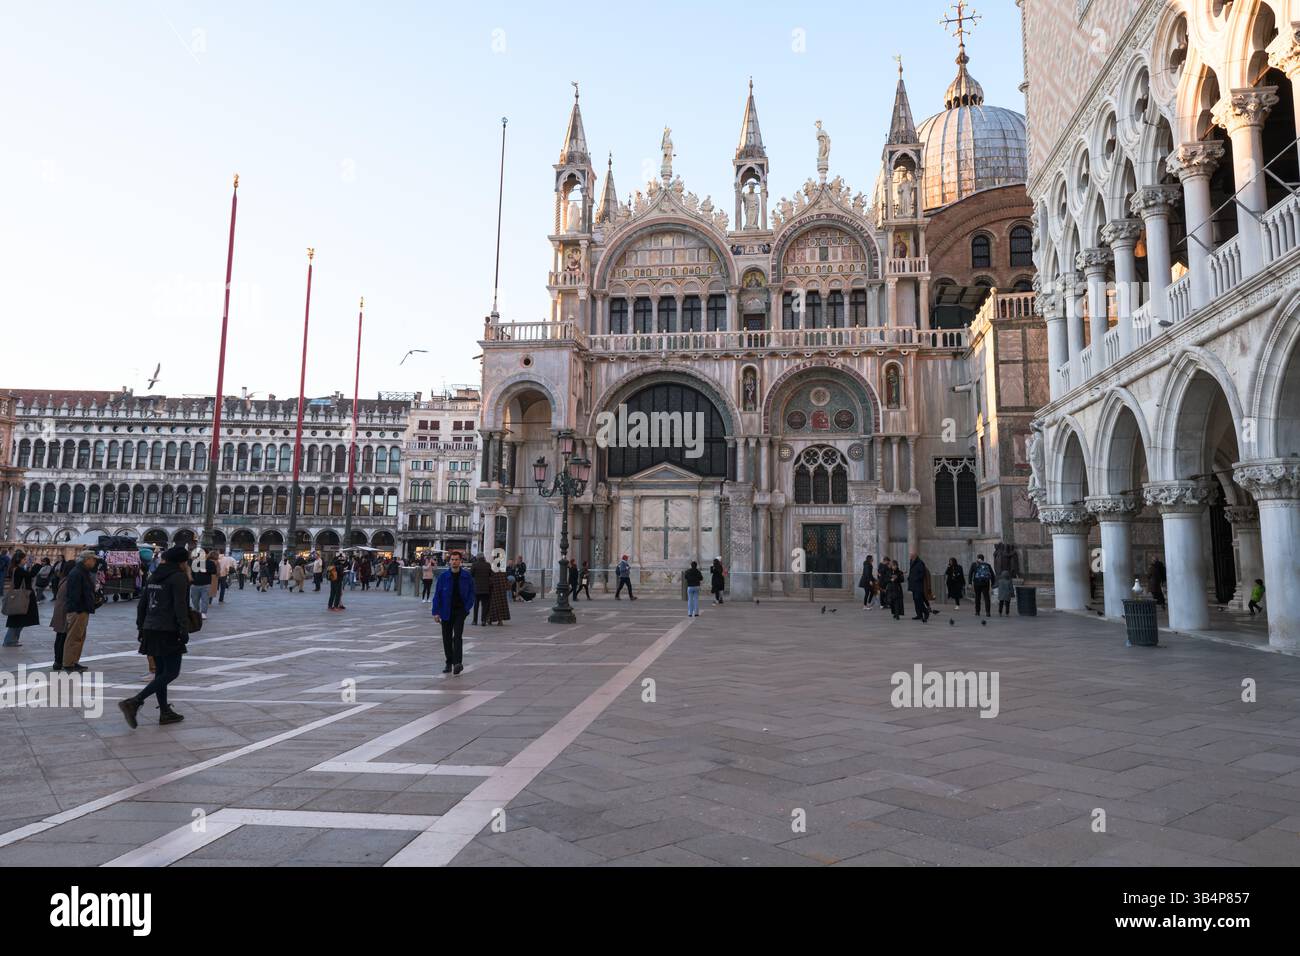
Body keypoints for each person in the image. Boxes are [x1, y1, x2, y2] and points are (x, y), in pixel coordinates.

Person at [119, 545, 191, 728]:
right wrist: (183, 629)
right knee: (172, 672)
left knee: (160, 672)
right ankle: (135, 701)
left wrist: (141, 627)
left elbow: (141, 605)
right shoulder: (178, 577)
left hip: (151, 628)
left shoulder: (154, 576)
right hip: (168, 629)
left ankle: (165, 711)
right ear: (182, 561)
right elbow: (180, 606)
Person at [432, 551, 474, 675]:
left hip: (460, 611)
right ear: (449, 561)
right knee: (446, 637)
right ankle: (448, 662)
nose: (454, 561)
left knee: (457, 636)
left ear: (461, 561)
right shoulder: (443, 577)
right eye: (452, 559)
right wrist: (436, 612)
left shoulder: (467, 577)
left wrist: (467, 608)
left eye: (456, 559)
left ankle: (457, 663)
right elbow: (437, 595)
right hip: (446, 610)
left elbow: (472, 593)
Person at [60, 550, 99, 673]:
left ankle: (73, 661)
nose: (94, 562)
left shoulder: (83, 572)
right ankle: (68, 663)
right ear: (87, 560)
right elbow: (74, 594)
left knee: (79, 637)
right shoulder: (77, 573)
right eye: (93, 559)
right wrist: (78, 608)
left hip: (82, 609)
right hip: (78, 610)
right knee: (74, 637)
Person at [4, 551, 39, 647]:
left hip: (20, 597)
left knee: (19, 620)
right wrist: (37, 564)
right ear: (19, 560)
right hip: (22, 598)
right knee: (17, 621)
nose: (26, 560)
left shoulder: (16, 569)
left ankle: (12, 640)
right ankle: (9, 641)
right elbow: (31, 575)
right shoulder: (18, 570)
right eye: (24, 559)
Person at [49, 561, 72, 669]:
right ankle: (59, 661)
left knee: (59, 637)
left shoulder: (63, 579)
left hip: (59, 611)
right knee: (62, 638)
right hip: (64, 612)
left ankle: (57, 661)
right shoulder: (68, 581)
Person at [189, 550, 215, 619]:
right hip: (195, 584)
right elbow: (192, 572)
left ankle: (203, 612)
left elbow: (214, 571)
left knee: (205, 599)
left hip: (206, 584)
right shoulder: (195, 562)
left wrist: (206, 570)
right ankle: (196, 611)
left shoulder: (210, 563)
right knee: (194, 600)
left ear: (206, 555)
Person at [969, 553, 994, 618]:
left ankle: (977, 612)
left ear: (977, 558)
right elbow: (992, 574)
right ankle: (988, 612)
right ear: (983, 558)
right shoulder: (987, 565)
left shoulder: (974, 564)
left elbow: (970, 574)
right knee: (986, 597)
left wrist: (970, 583)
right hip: (986, 583)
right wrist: (993, 583)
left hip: (977, 583)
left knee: (977, 597)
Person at [907, 552, 930, 623]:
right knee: (915, 600)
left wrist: (915, 578)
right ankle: (919, 615)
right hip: (913, 584)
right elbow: (911, 572)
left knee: (918, 599)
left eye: (911, 555)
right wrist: (909, 578)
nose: (910, 556)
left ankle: (925, 611)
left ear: (915, 556)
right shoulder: (911, 562)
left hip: (918, 585)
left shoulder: (920, 563)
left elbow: (922, 574)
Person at [470, 553, 492, 625]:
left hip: (477, 588)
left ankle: (475, 621)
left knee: (476, 605)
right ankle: (483, 620)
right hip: (486, 589)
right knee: (484, 605)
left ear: (477, 558)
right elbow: (490, 574)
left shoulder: (474, 564)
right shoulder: (488, 565)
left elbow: (471, 574)